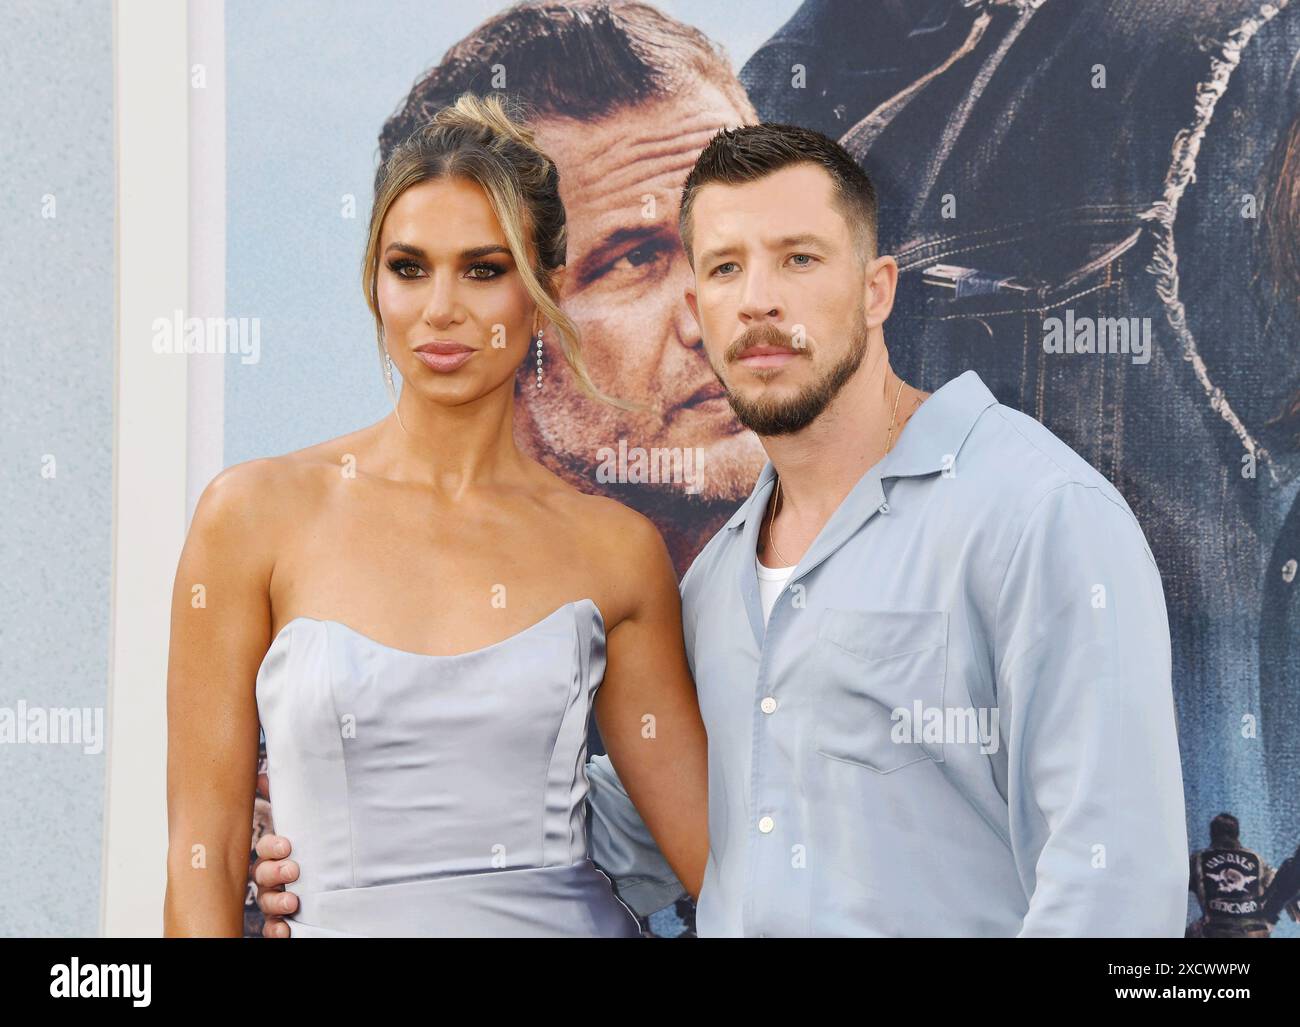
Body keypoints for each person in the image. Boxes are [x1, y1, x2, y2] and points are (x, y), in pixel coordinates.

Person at [258, 122, 1190, 936]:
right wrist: (353, 829)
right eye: (726, 268)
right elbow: (635, 832)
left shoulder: (1034, 514)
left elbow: (1114, 888)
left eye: (800, 258)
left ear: (877, 288)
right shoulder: (715, 584)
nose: (759, 300)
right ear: (698, 311)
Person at [164, 93, 708, 937]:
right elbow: (202, 855)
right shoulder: (252, 517)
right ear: (373, 280)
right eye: (409, 267)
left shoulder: (616, 550)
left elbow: (718, 861)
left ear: (543, 291)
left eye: (484, 269)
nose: (441, 307)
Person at [1188, 813, 1300, 937]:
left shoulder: (1199, 858)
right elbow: (1278, 883)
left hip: (1216, 932)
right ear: (1237, 834)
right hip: (1254, 932)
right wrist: (1293, 905)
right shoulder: (1255, 859)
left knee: (1192, 930)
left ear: (1212, 834)